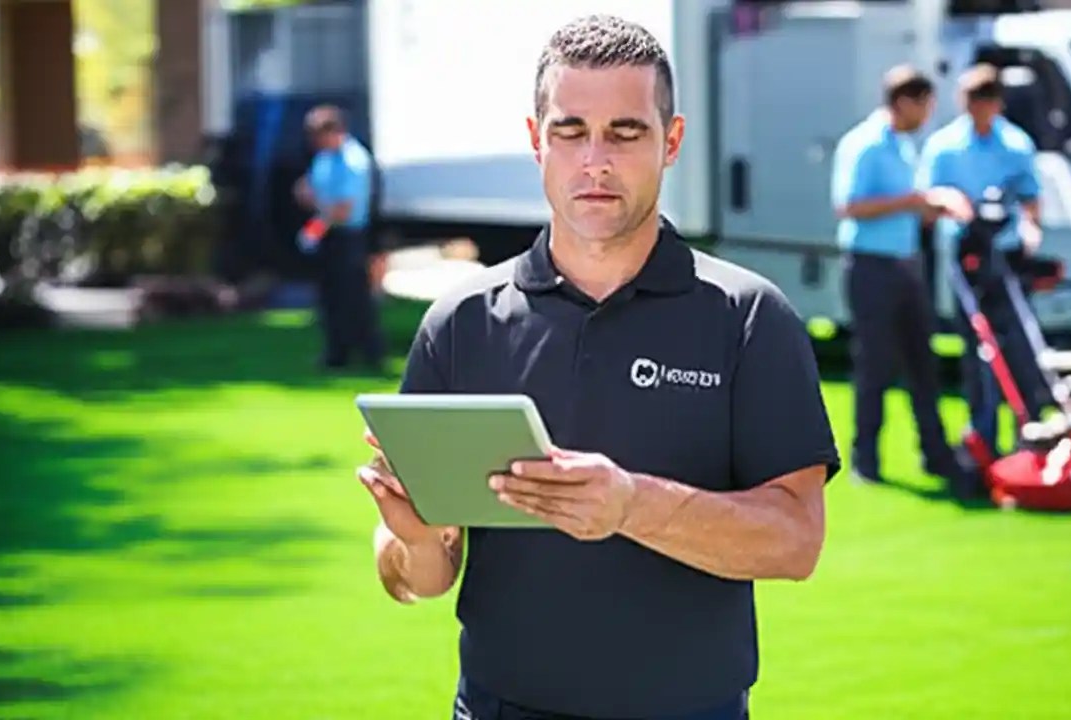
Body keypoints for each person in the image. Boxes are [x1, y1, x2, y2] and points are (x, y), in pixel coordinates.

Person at [357, 14, 840, 720]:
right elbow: (421, 578)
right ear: (535, 141)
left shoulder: (746, 317)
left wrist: (629, 505)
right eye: (570, 131)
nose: (595, 161)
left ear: (670, 141)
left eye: (625, 132)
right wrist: (416, 540)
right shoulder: (461, 323)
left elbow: (796, 542)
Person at [829, 65, 972, 485]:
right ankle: (864, 459)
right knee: (875, 365)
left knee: (922, 363)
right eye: (925, 105)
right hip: (870, 266)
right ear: (904, 102)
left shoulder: (905, 146)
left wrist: (929, 209)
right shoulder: (865, 145)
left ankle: (935, 454)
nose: (928, 114)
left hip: (907, 264)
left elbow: (904, 205)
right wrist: (915, 200)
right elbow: (850, 206)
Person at [916, 63, 1047, 460]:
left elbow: (1030, 199)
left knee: (1021, 342)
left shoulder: (1016, 144)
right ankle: (984, 436)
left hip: (1006, 255)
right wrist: (951, 206)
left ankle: (1032, 430)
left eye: (987, 99)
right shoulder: (945, 146)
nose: (980, 107)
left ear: (997, 102)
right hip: (965, 256)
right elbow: (926, 203)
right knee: (978, 347)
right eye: (973, 99)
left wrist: (1030, 229)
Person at [294, 105, 384, 371]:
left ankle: (371, 353)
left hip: (349, 237)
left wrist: (315, 224)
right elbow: (306, 188)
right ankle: (337, 353)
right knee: (330, 297)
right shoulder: (324, 158)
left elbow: (343, 209)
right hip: (328, 233)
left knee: (355, 298)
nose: (316, 142)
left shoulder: (353, 162)